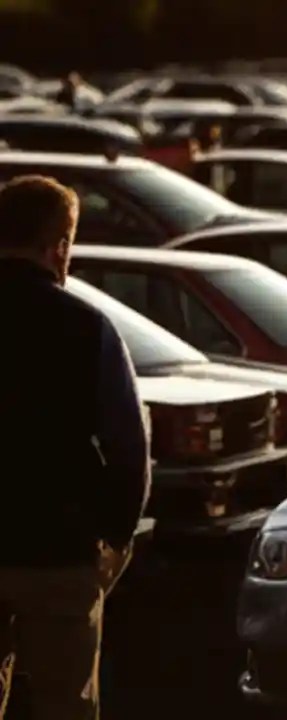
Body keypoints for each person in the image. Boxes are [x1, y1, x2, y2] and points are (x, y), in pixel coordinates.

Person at [0, 176, 150, 720]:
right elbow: (129, 449)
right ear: (59, 244)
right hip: (58, 550)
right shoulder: (89, 329)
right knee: (67, 702)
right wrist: (117, 537)